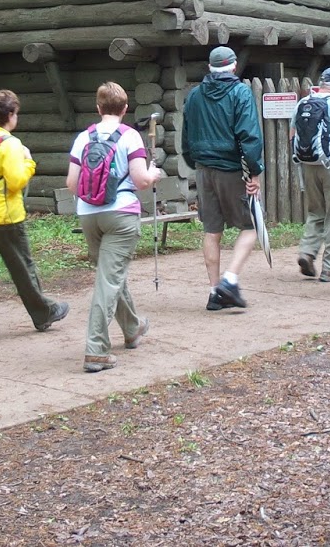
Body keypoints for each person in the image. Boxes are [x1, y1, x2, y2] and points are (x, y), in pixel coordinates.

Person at [0, 90, 68, 349]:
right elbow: (17, 181)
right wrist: (29, 162)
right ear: (10, 115)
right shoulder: (10, 145)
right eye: (16, 113)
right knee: (23, 270)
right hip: (6, 219)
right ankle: (44, 314)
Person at [67, 83, 161, 373]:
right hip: (120, 215)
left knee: (111, 275)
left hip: (88, 216)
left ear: (98, 108)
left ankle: (132, 328)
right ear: (124, 109)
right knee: (108, 281)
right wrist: (154, 173)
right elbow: (142, 181)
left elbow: (72, 184)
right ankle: (96, 350)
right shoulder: (130, 137)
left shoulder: (84, 138)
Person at [181, 45, 263, 311]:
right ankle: (230, 280)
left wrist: (195, 163)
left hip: (203, 169)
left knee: (211, 231)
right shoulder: (240, 92)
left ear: (209, 68)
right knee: (251, 227)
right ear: (234, 66)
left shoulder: (194, 96)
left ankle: (215, 292)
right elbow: (249, 136)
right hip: (230, 170)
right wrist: (255, 172)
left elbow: (186, 137)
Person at [293, 67, 330, 282]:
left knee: (315, 212)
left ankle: (307, 253)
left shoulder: (303, 103)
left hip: (308, 164)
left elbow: (294, 133)